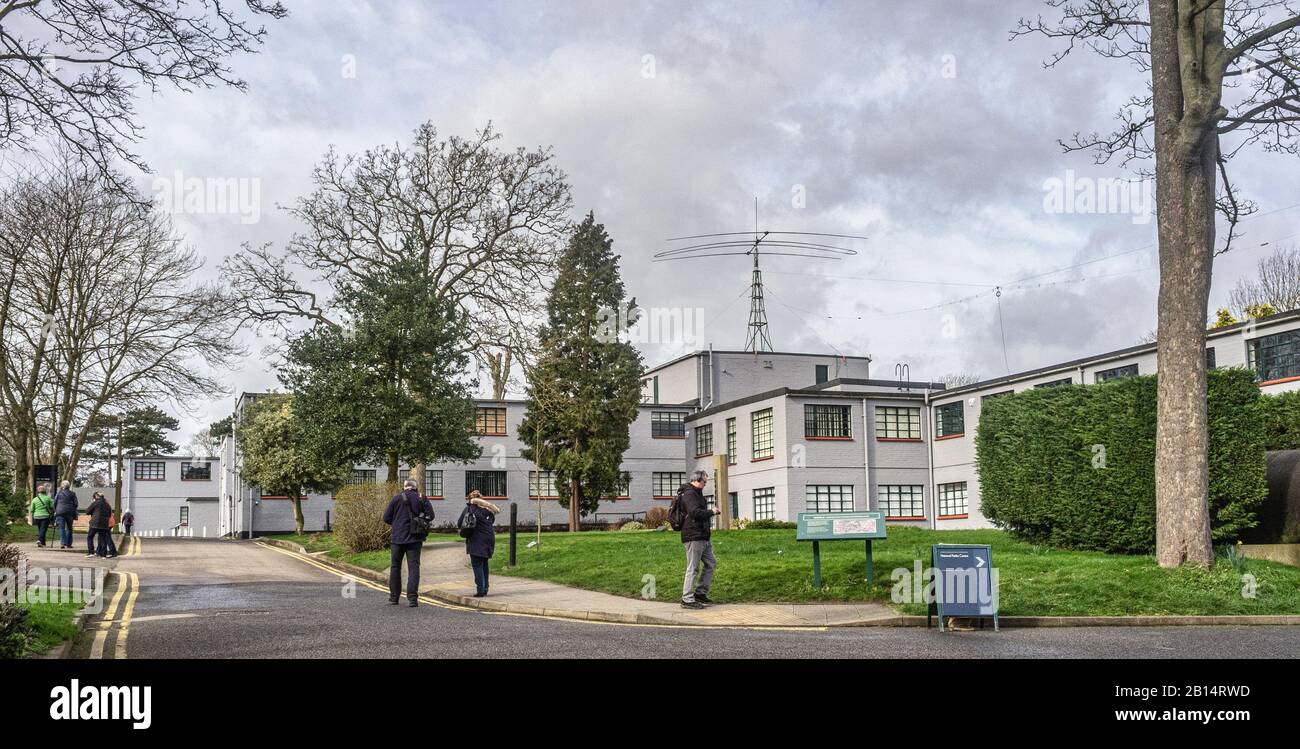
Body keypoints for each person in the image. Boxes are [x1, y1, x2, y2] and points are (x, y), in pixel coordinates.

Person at [382, 479, 434, 607]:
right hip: (415, 539)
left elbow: (386, 517)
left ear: (405, 487)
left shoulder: (397, 498)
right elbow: (431, 515)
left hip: (397, 538)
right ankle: (412, 599)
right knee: (414, 568)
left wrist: (397, 523)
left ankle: (394, 598)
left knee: (395, 567)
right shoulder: (422, 498)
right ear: (415, 487)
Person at [678, 470, 720, 609]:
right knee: (693, 568)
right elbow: (695, 513)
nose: (705, 484)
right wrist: (712, 512)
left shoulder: (697, 493)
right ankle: (687, 599)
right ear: (698, 480)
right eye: (705, 482)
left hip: (703, 536)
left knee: (711, 563)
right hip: (693, 536)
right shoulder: (689, 494)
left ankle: (700, 593)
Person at [459, 490, 500, 597]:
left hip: (475, 539)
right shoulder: (486, 511)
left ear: (470, 499)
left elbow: (460, 523)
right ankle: (485, 588)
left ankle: (480, 590)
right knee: (484, 564)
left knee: (477, 564)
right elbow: (492, 519)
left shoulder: (468, 509)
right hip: (489, 539)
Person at [85, 491, 114, 558]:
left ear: (97, 497)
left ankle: (91, 552)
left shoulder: (95, 503)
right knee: (102, 538)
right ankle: (103, 555)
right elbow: (109, 514)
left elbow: (87, 511)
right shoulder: (107, 504)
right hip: (104, 524)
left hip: (95, 523)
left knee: (90, 537)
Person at [53, 481, 78, 549]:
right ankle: (69, 544)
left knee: (61, 528)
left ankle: (62, 543)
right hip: (70, 512)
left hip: (60, 512)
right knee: (69, 528)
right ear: (69, 486)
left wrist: (56, 510)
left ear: (62, 486)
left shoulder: (59, 493)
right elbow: (76, 504)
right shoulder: (73, 493)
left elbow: (54, 503)